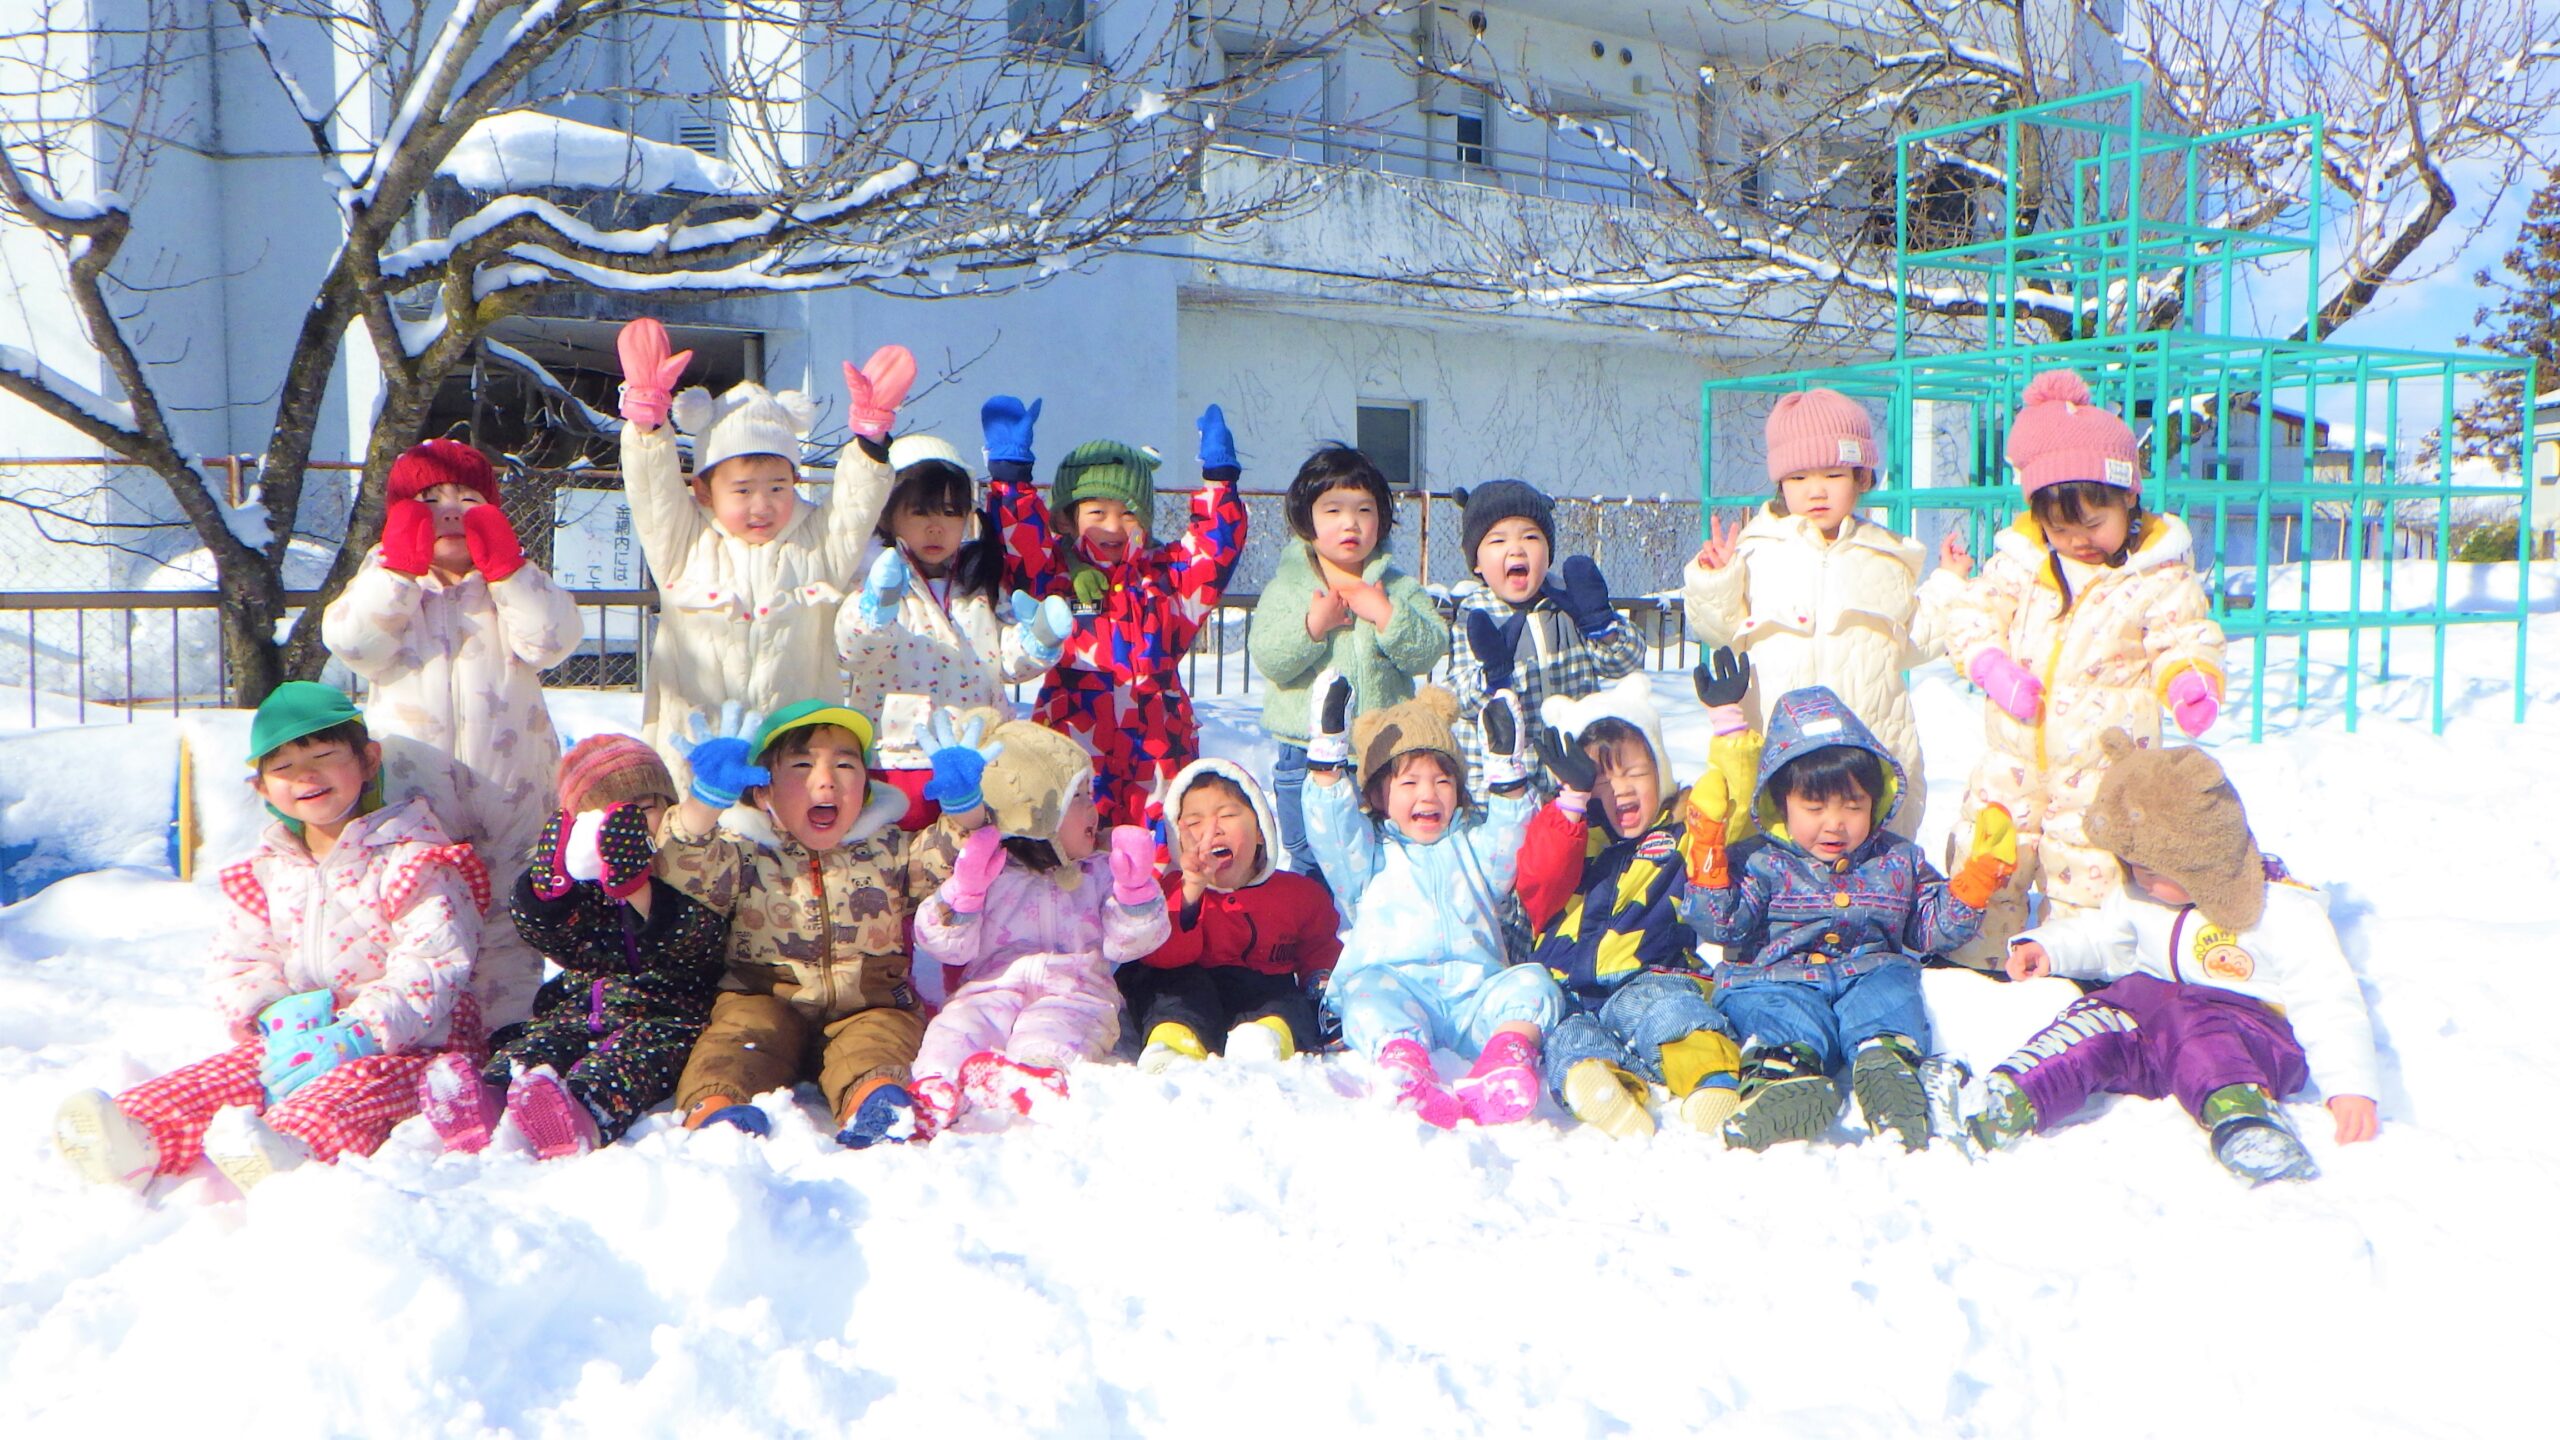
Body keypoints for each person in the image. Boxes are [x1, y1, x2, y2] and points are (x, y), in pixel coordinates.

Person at [53, 683, 487, 1192]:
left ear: (368, 761)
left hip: (411, 1047)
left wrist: (360, 1032)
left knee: (346, 1093)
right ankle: (136, 1137)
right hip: (298, 1039)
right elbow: (239, 958)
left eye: (325, 755)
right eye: (283, 768)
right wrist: (271, 1016)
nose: (306, 775)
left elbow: (433, 962)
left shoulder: (411, 860)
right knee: (227, 1076)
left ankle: (288, 1150)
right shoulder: (269, 871)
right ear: (261, 787)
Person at [1968, 731, 2380, 1186]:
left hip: (2250, 1041)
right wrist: (2048, 947)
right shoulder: (2138, 896)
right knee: (2096, 1018)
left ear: (2199, 859)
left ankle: (2244, 1120)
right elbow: (2106, 937)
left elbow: (2326, 999)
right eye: (2133, 869)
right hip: (2155, 1030)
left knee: (2192, 1016)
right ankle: (2009, 1097)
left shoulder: (2280, 912)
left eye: (2151, 871)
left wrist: (2350, 1086)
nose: (2138, 883)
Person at [1938, 368, 2227, 966]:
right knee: (1992, 853)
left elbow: (2183, 636)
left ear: (2129, 496)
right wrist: (1990, 665)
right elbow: (1971, 613)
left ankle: (2078, 964)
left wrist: (2190, 681)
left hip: (2106, 764)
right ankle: (1976, 961)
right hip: (2012, 759)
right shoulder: (2021, 562)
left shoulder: (2158, 576)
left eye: (2094, 523)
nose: (2078, 540)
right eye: (2060, 528)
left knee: (2091, 868)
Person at [1679, 685, 2016, 1152]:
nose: (1834, 824)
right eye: (1814, 809)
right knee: (1780, 1017)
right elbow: (1722, 924)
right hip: (1779, 978)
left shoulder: (1897, 859)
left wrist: (1975, 882)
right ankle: (1781, 1085)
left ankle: (1887, 1071)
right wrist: (1709, 856)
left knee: (1890, 995)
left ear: (1875, 804)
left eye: (1852, 807)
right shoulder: (1761, 861)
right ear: (1782, 804)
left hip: (1867, 972)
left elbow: (1932, 929)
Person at [322, 438, 581, 1029]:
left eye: (468, 498)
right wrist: (398, 570)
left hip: (515, 793)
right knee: (427, 918)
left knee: (514, 919)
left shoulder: (513, 582)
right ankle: (429, 1036)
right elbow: (355, 644)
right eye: (429, 499)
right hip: (416, 798)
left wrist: (509, 571)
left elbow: (552, 642)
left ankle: (506, 1036)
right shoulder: (382, 579)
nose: (450, 511)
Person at [653, 700, 962, 1149]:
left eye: (844, 764)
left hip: (869, 1000)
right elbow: (681, 867)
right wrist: (704, 802)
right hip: (763, 996)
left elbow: (952, 861)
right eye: (801, 764)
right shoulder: (744, 849)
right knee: (737, 1042)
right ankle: (717, 1108)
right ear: (764, 791)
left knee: (879, 1043)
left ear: (866, 787)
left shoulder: (891, 848)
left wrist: (964, 809)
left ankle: (874, 1101)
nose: (826, 779)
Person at [415, 735, 727, 1160]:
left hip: (666, 1015)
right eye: (610, 812)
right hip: (580, 1007)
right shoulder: (586, 883)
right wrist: (548, 894)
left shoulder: (693, 869)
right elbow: (556, 940)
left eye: (644, 807)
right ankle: (485, 1098)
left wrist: (640, 891)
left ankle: (580, 1110)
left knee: (629, 1064)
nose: (627, 824)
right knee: (540, 1045)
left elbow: (699, 942)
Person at [613, 317, 912, 757]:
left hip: (794, 756)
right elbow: (652, 490)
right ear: (703, 489)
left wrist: (870, 444)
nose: (762, 505)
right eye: (742, 491)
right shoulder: (684, 542)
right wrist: (647, 429)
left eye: (777, 488)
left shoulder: (816, 544)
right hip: (695, 751)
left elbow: (855, 507)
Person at [1680, 388, 1970, 837]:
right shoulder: (1757, 551)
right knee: (1776, 862)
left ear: (1861, 477)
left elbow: (1914, 638)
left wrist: (1949, 583)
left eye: (1833, 474)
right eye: (1797, 478)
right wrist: (1716, 578)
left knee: (1871, 863)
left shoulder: (1885, 557)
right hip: (1781, 752)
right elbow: (1717, 628)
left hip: (1870, 751)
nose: (1815, 491)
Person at [1302, 679, 1565, 1129]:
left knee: (1535, 983)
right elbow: (1333, 830)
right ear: (1379, 796)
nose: (1428, 794)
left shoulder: (1473, 849)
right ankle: (1404, 1066)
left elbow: (1512, 840)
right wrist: (1328, 759)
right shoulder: (1368, 858)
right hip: (1400, 994)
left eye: (1443, 781)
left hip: (1472, 997)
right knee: (1366, 998)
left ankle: (1506, 1060)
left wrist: (1507, 776)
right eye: (1410, 782)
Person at [981, 396, 1248, 828]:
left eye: (1128, 514)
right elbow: (1020, 539)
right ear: (1067, 519)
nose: (1112, 526)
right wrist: (1010, 475)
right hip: (1075, 744)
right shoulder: (1053, 579)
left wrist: (1220, 480)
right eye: (1096, 511)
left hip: (1160, 750)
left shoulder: (1167, 580)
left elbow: (1214, 550)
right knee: (1073, 852)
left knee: (1158, 859)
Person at [908, 713, 1172, 1131]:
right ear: (1036, 815)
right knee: (958, 1025)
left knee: (1052, 1029)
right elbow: (941, 944)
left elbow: (1131, 943)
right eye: (1079, 798)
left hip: (1076, 993)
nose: (1095, 808)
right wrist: (965, 891)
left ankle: (1035, 1075)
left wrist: (1135, 890)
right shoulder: (991, 869)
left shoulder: (1101, 870)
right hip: (990, 988)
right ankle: (934, 1088)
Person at [1514, 672, 1743, 1140]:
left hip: (1650, 974)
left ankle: (1710, 1083)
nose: (1619, 788)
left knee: (1673, 1014)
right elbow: (1537, 882)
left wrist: (1730, 730)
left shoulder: (1678, 835)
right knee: (1569, 1041)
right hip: (1567, 989)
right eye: (1598, 778)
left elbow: (1728, 807)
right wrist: (1572, 804)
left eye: (1635, 772)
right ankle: (1603, 1091)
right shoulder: (1570, 839)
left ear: (1659, 770)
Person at [836, 432, 1073, 828]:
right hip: (901, 757)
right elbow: (851, 651)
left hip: (977, 756)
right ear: (887, 514)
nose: (936, 528)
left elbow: (1005, 661)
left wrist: (1037, 641)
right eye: (920, 512)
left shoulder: (976, 583)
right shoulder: (873, 580)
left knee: (972, 867)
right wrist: (876, 609)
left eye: (950, 513)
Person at [1246, 445, 1447, 885]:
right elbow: (1269, 657)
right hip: (1305, 755)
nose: (1349, 523)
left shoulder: (1397, 588)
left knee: (1385, 857)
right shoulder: (1290, 587)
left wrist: (1387, 616)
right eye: (1332, 509)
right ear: (1306, 519)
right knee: (1312, 860)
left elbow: (1430, 648)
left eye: (1364, 509)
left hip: (1383, 753)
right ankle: (1313, 946)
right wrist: (1311, 628)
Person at [1117, 758, 1342, 1070]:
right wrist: (1191, 890)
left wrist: (1321, 982)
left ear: (1261, 831)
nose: (1212, 830)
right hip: (1185, 985)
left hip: (1259, 995)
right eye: (1194, 822)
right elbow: (1163, 957)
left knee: (1287, 1002)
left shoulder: (1299, 895)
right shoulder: (1169, 892)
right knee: (1171, 992)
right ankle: (1173, 1043)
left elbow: (1320, 948)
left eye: (1228, 815)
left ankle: (1266, 1039)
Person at [1444, 479, 1646, 803]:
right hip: (1506, 789)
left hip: (1580, 777)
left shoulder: (1568, 603)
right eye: (1497, 540)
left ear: (1548, 552)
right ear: (1477, 563)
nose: (1516, 548)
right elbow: (1460, 700)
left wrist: (1601, 624)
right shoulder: (1475, 617)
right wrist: (1492, 676)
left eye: (1531, 537)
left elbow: (1627, 662)